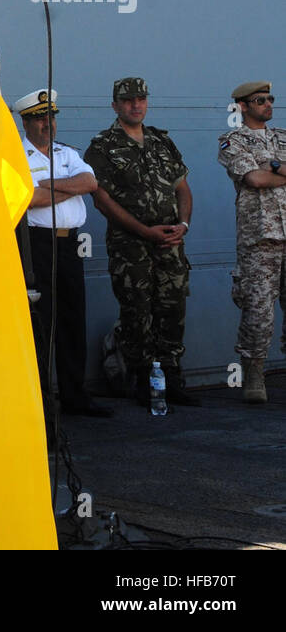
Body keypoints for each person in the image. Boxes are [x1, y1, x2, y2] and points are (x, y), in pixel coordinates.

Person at [84, 78, 197, 406]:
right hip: (131, 245)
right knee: (137, 311)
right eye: (128, 100)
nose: (136, 105)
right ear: (115, 105)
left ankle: (172, 378)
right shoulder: (103, 146)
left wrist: (183, 224)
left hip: (171, 241)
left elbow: (183, 188)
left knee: (173, 307)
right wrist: (143, 231)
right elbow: (102, 200)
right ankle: (143, 382)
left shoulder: (163, 141)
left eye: (141, 99)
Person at [15, 89, 110, 422]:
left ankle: (75, 395)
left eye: (51, 117)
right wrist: (66, 186)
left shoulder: (66, 152)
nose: (47, 124)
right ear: (26, 122)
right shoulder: (16, 156)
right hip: (36, 246)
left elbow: (90, 182)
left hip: (70, 246)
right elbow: (30, 200)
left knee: (72, 320)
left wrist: (49, 185)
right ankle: (41, 401)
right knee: (41, 323)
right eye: (40, 118)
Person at [217, 81, 286, 403]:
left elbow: (264, 174)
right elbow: (254, 179)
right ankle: (254, 371)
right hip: (260, 239)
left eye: (270, 99)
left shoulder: (283, 137)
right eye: (260, 100)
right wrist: (274, 169)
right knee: (259, 312)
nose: (268, 104)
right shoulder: (233, 141)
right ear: (243, 106)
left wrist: (272, 166)